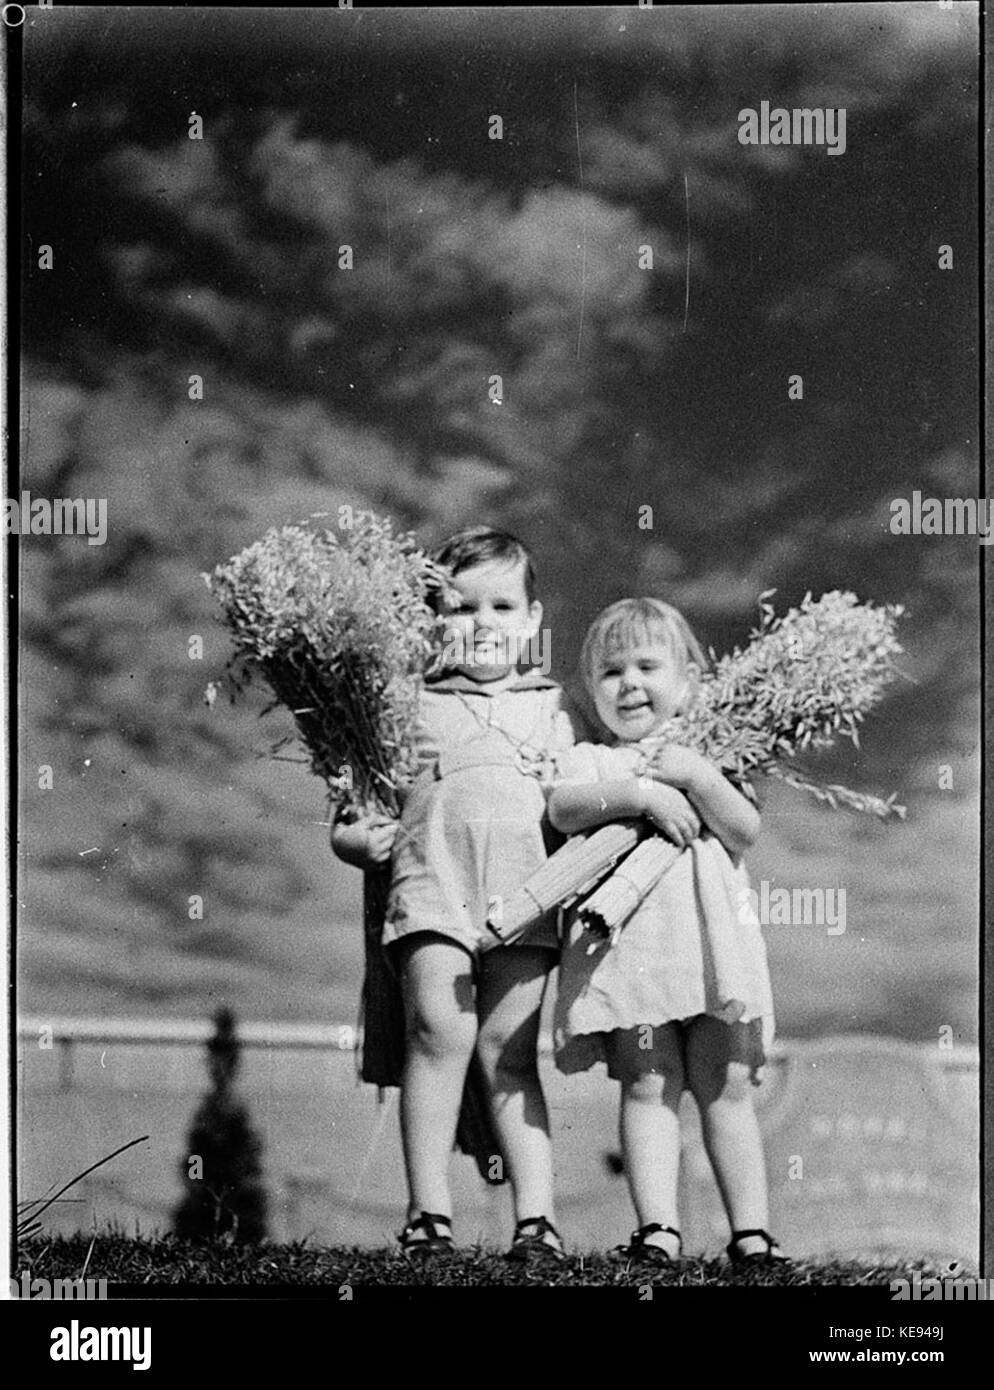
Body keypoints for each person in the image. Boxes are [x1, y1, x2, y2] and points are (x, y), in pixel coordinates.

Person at [331, 527, 576, 1263]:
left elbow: (580, 798)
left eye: (502, 606)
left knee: (509, 1049)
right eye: (460, 607)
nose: (481, 624)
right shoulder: (404, 707)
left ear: (533, 620)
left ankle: (537, 1221)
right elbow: (352, 818)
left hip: (527, 898)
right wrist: (356, 843)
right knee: (438, 1031)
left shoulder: (555, 709)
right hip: (431, 886)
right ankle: (427, 1216)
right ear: (431, 620)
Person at [548, 597, 787, 1269]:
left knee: (726, 1082)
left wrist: (696, 776)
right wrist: (643, 794)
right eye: (611, 671)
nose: (629, 683)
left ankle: (752, 1235)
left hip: (712, 952)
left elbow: (742, 830)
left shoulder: (710, 755)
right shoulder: (595, 760)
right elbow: (564, 810)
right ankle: (658, 1230)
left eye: (647, 666)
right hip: (634, 954)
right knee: (649, 1083)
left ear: (687, 682)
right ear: (592, 693)